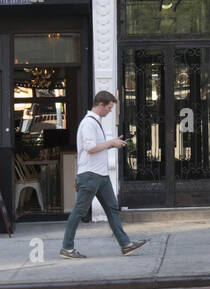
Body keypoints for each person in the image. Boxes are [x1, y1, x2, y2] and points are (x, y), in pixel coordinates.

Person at [60, 90, 148, 259]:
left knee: (112, 209)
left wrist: (112, 144)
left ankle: (126, 245)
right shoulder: (88, 123)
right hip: (90, 175)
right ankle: (67, 248)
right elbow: (90, 148)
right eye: (108, 107)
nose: (109, 111)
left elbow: (96, 147)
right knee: (79, 211)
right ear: (100, 105)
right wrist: (110, 142)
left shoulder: (94, 122)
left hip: (100, 175)